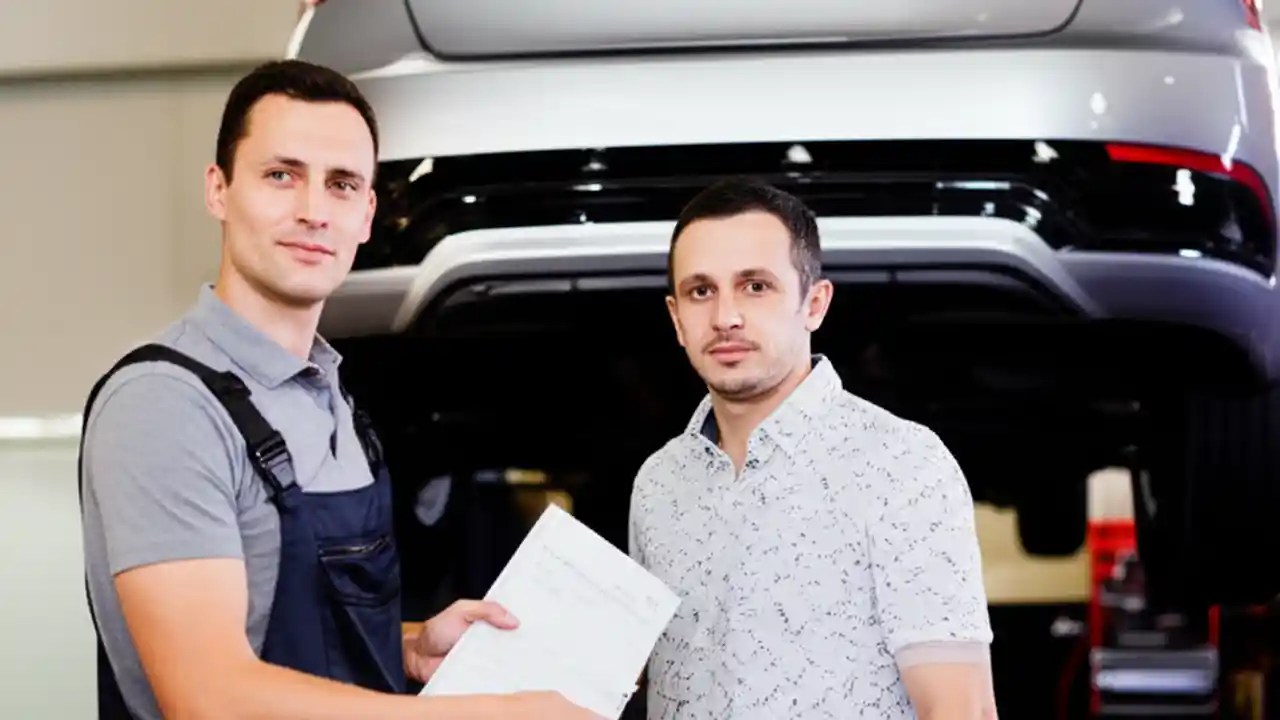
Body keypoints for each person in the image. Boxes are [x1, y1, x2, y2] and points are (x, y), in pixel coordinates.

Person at [78, 59, 599, 720]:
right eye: (280, 175)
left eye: (342, 185)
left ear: (368, 214)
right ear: (218, 189)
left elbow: (298, 646)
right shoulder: (166, 405)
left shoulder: (337, 403)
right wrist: (491, 714)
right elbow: (209, 696)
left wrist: (408, 646)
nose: (313, 211)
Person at [628, 179, 998, 719]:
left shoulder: (900, 463)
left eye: (755, 286)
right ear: (676, 318)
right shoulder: (658, 483)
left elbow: (960, 711)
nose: (726, 316)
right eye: (701, 291)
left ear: (815, 304)